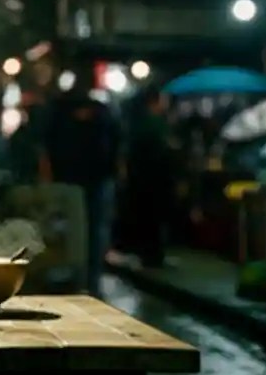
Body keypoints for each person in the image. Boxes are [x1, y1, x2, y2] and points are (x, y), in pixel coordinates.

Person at [43, 66, 120, 295]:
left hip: (74, 177)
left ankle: (78, 276)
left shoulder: (60, 109)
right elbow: (115, 142)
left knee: (74, 230)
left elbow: (48, 144)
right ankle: (87, 278)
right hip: (91, 177)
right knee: (92, 230)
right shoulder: (101, 111)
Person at [126, 87, 176, 267]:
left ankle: (149, 254)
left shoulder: (139, 123)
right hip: (154, 180)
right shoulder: (155, 125)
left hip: (142, 180)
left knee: (147, 220)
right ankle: (153, 256)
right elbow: (162, 152)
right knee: (154, 220)